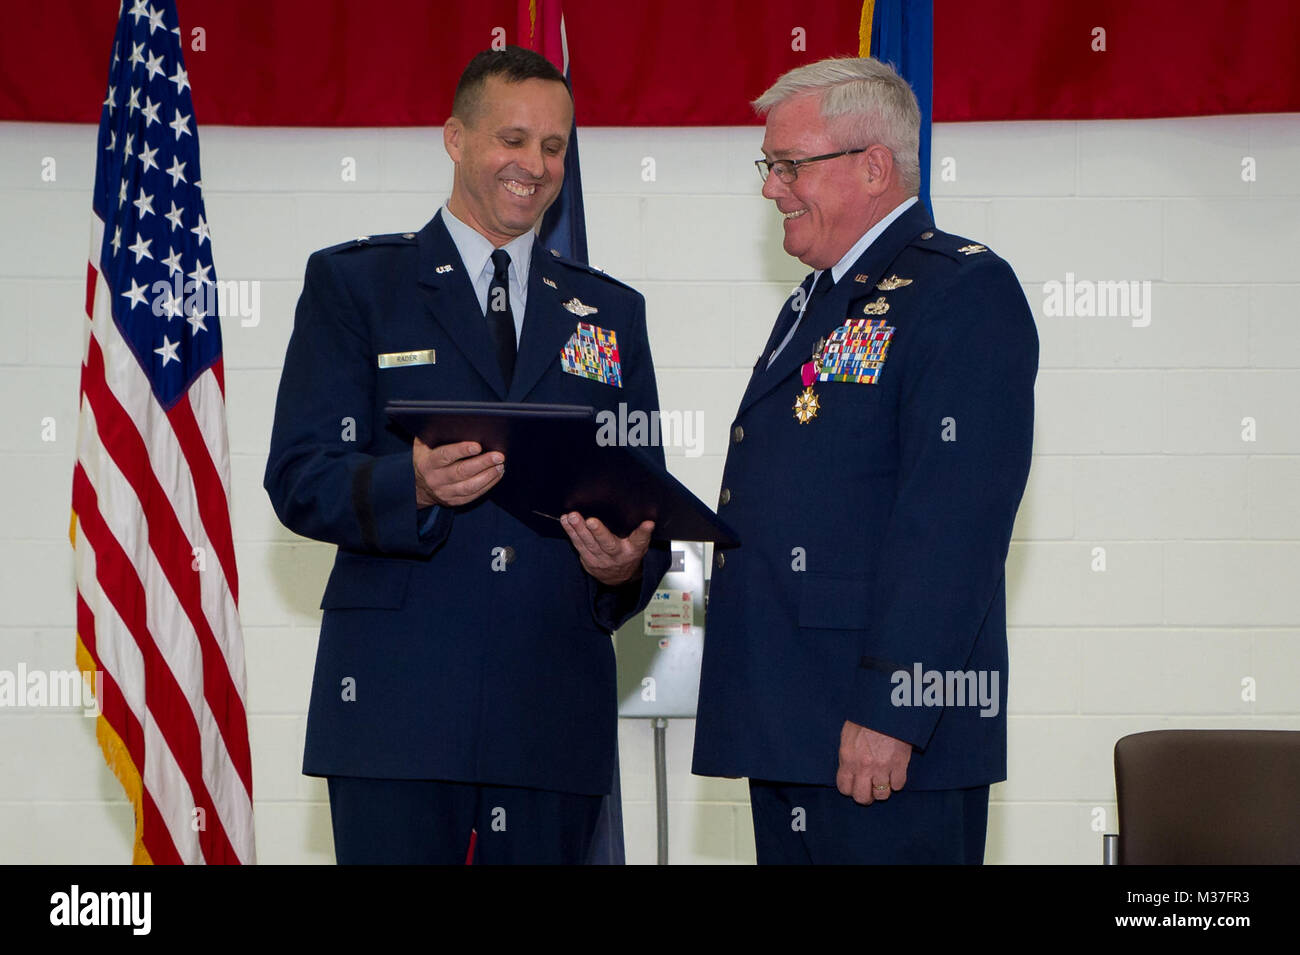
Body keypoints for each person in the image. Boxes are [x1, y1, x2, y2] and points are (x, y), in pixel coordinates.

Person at [264, 46, 669, 864]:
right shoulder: (359, 285)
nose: (536, 165)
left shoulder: (611, 313)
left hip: (552, 713)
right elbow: (299, 476)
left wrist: (626, 564)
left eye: (555, 147)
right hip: (396, 716)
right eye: (512, 139)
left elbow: (644, 500)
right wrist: (408, 482)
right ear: (455, 138)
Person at [691, 57, 1038, 864]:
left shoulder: (960, 292)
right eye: (768, 166)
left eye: (788, 165)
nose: (771, 188)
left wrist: (892, 709)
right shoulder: (818, 299)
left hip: (883, 741)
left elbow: (955, 526)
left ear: (873, 166)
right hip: (794, 723)